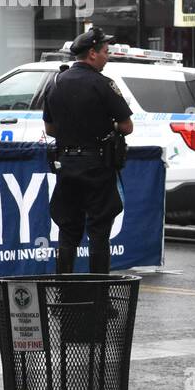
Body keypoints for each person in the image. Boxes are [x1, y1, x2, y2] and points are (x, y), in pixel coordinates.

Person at [42, 27, 134, 274]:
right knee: (99, 231)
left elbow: (50, 129)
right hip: (97, 167)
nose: (108, 56)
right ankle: (98, 295)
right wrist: (108, 125)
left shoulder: (56, 82)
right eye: (105, 52)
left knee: (68, 230)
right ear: (92, 54)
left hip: (67, 166)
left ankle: (63, 293)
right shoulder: (103, 84)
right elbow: (126, 126)